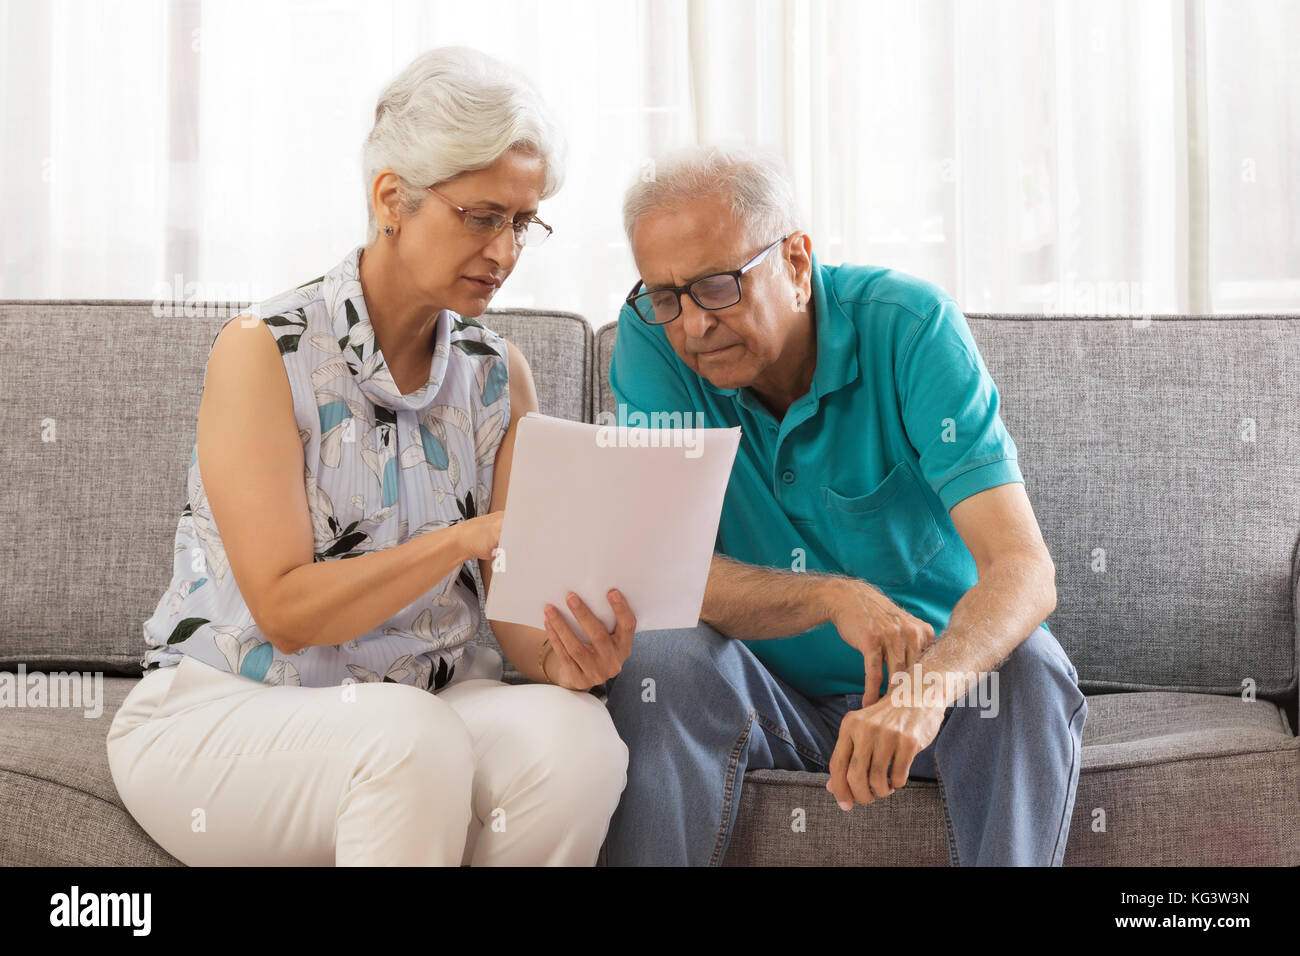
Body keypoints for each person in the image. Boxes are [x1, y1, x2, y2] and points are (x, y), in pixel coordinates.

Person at [106, 46, 635, 867]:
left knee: (578, 742)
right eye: (482, 216)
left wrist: (568, 660)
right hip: (224, 712)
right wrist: (462, 539)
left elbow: (513, 617)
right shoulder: (264, 352)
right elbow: (284, 611)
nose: (504, 251)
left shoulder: (499, 376)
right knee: (406, 741)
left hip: (423, 712)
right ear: (392, 197)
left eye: (522, 223)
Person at [603, 145, 1087, 866]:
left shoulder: (911, 326)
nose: (693, 327)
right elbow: (665, 569)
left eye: (716, 287)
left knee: (1027, 668)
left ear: (796, 262)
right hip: (763, 700)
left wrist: (923, 693)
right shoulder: (654, 336)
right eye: (666, 296)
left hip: (931, 704)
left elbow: (1022, 566)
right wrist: (831, 597)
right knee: (660, 653)